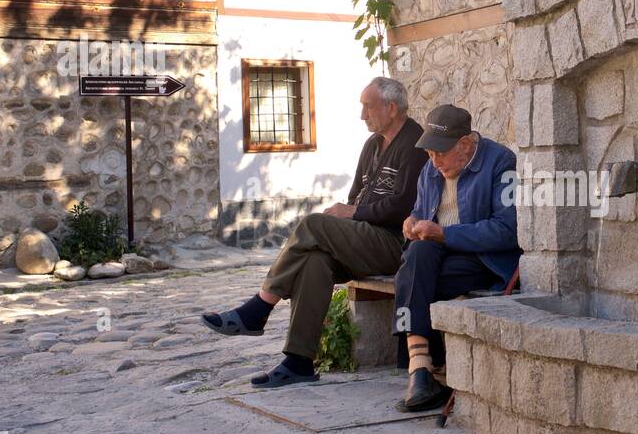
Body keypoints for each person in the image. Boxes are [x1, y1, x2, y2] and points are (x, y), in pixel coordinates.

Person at [200, 77, 428, 388]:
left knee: (313, 223)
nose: (363, 115)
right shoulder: (373, 145)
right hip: (362, 237)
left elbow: (404, 205)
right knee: (314, 262)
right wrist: (351, 216)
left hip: (393, 244)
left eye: (368, 107)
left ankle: (260, 307)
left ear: (391, 108)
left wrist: (353, 214)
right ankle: (299, 361)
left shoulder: (414, 143)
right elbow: (355, 196)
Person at [394, 104, 521, 413]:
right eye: (430, 153)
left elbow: (507, 230)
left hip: (483, 259)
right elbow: (420, 211)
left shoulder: (501, 162)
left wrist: (444, 233)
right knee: (418, 256)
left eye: (441, 153)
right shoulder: (431, 168)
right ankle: (421, 366)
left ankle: (421, 367)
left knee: (410, 281)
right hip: (436, 256)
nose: (434, 162)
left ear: (465, 144)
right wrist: (412, 222)